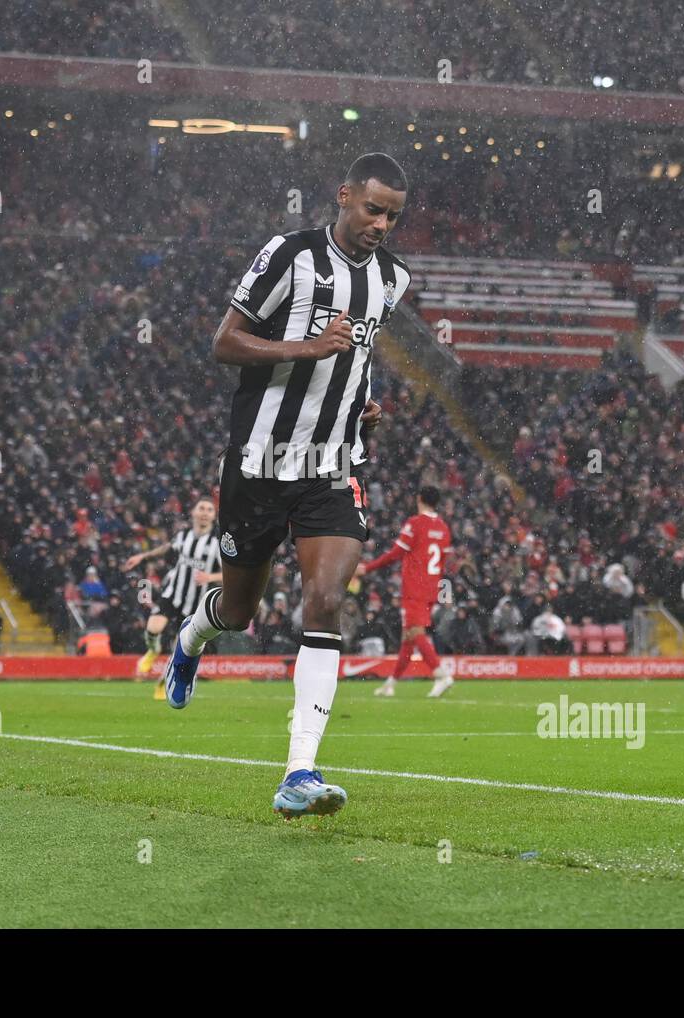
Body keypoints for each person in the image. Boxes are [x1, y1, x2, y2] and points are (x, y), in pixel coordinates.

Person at [161, 152, 412, 818]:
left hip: (332, 466)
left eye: (392, 216)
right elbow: (226, 343)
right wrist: (305, 348)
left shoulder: (393, 279)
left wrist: (363, 407)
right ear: (344, 196)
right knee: (239, 611)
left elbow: (356, 359)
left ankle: (300, 770)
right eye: (373, 209)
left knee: (324, 600)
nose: (381, 224)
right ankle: (191, 639)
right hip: (259, 463)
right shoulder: (290, 255)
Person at [355, 485, 454, 698]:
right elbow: (443, 562)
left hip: (414, 588)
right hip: (431, 588)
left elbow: (395, 553)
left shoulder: (415, 523)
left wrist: (367, 568)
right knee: (408, 638)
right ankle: (390, 684)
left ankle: (441, 675)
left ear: (419, 499)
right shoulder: (443, 527)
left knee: (416, 634)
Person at [121, 498, 222, 699]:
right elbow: (166, 548)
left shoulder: (216, 544)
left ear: (213, 516)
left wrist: (210, 577)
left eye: (209, 510)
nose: (204, 512)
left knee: (180, 648)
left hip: (195, 604)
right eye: (201, 508)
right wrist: (142, 557)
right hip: (172, 595)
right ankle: (153, 650)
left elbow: (229, 573)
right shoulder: (183, 536)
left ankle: (162, 684)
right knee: (152, 628)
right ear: (193, 512)